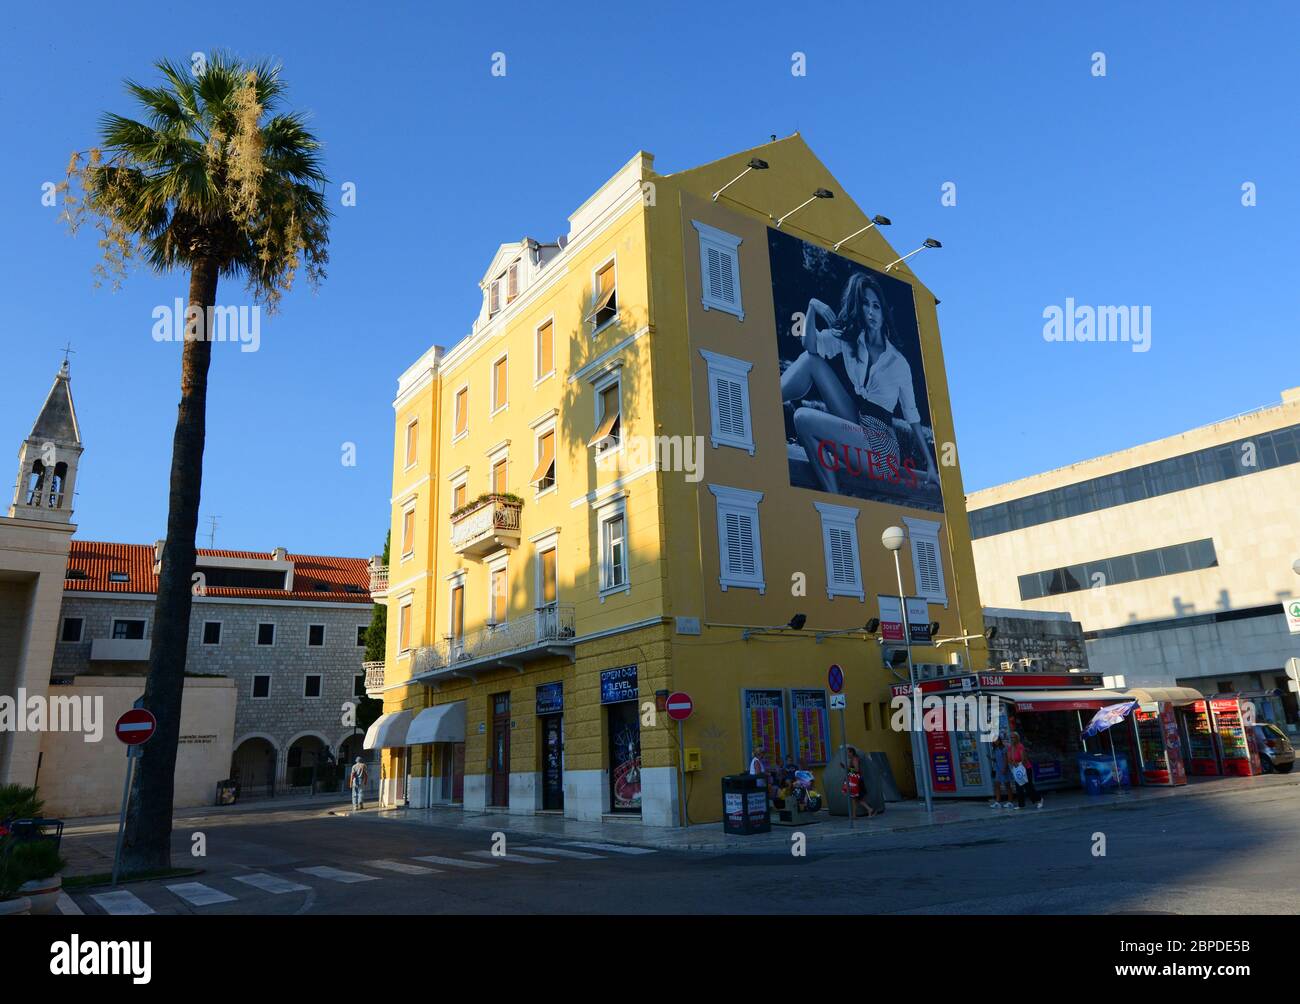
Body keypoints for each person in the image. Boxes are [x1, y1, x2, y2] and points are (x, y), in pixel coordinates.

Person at [780, 271, 940, 496]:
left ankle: (835, 501)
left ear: (884, 312)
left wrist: (932, 466)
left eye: (876, 306)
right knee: (810, 361)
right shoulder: (852, 341)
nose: (871, 311)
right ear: (858, 308)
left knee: (802, 418)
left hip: (882, 449)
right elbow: (810, 346)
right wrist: (813, 306)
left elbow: (912, 416)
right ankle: (765, 405)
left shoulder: (898, 363)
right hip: (858, 425)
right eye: (865, 304)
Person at [1006, 732, 1043, 810]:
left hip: (1025, 768)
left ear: (1017, 738)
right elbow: (1009, 759)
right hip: (1016, 769)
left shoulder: (1020, 746)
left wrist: (1018, 763)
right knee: (1019, 786)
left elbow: (1024, 758)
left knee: (1028, 786)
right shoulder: (1010, 748)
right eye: (1011, 737)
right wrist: (1013, 763)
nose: (1012, 739)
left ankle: (1039, 799)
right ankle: (1021, 804)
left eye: (1014, 737)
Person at [989, 736, 1013, 808]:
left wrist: (1005, 768)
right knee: (997, 785)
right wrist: (992, 759)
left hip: (1003, 769)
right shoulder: (995, 749)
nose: (996, 742)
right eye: (994, 741)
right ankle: (998, 801)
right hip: (998, 769)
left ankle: (1010, 801)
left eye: (997, 740)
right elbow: (997, 759)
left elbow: (1006, 759)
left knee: (1007, 785)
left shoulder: (1003, 748)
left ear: (999, 740)